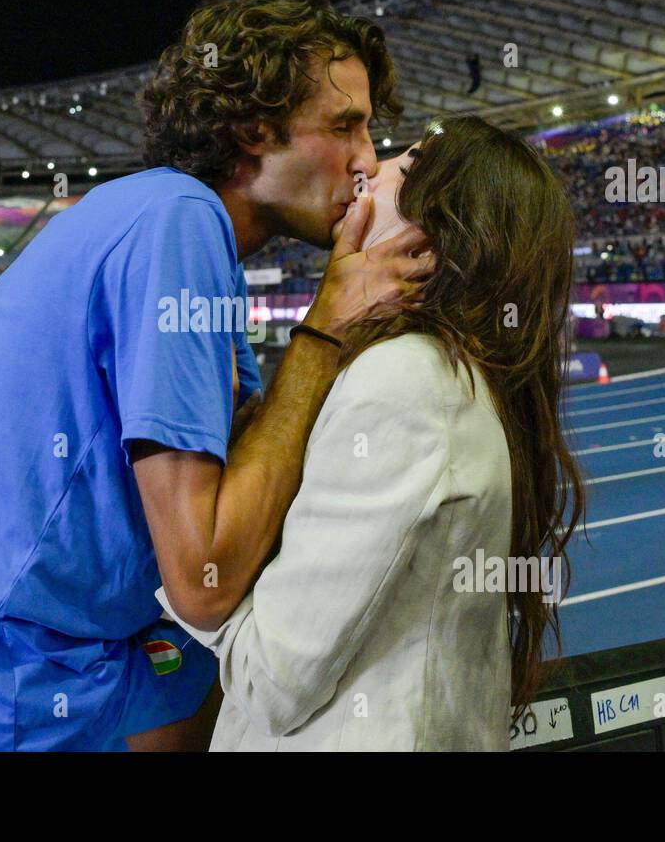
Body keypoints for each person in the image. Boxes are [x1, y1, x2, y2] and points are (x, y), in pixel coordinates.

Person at [0, 0, 434, 751]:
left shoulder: (155, 221)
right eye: (346, 126)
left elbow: (242, 490)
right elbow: (206, 577)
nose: (368, 161)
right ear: (253, 128)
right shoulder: (179, 223)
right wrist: (326, 327)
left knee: (226, 673)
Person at [156, 117, 586, 750]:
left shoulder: (405, 384)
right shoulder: (456, 380)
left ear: (432, 243)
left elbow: (271, 680)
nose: (370, 169)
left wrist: (178, 552)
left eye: (403, 171)